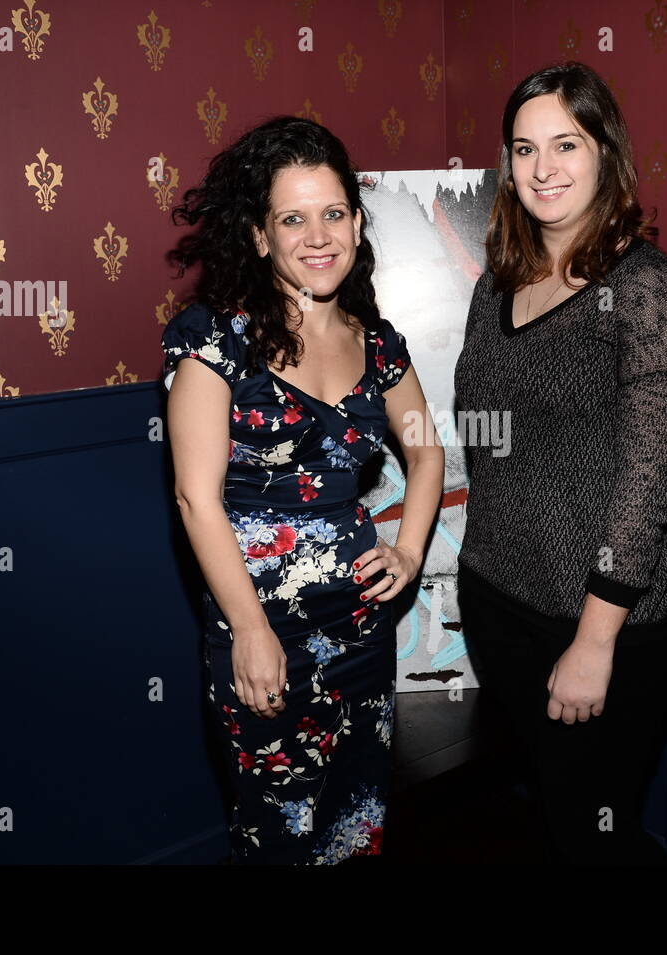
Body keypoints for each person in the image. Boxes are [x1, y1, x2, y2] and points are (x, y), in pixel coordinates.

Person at [162, 117, 443, 864]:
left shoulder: (376, 340)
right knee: (279, 839)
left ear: (355, 220)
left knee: (357, 826)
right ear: (260, 236)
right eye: (293, 217)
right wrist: (250, 631)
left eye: (333, 212)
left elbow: (426, 449)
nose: (318, 236)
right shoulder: (214, 340)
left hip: (361, 631)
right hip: (260, 637)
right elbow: (196, 498)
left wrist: (410, 551)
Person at [453, 61, 667, 865]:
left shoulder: (646, 291)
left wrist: (595, 641)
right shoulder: (497, 282)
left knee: (593, 832)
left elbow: (647, 489)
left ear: (606, 151)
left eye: (566, 143)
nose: (543, 168)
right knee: (552, 813)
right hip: (500, 605)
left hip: (599, 625)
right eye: (524, 149)